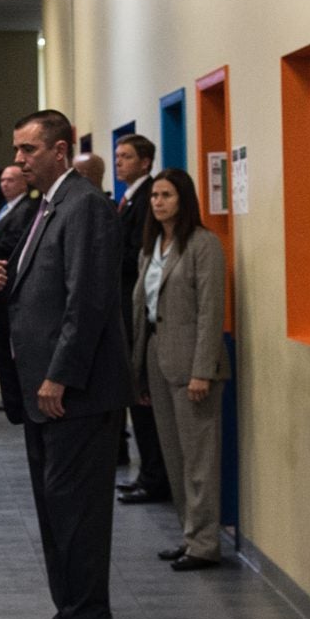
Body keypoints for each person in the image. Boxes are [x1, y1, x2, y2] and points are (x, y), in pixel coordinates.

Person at [0, 110, 130, 619]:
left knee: (78, 515)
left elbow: (89, 301)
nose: (19, 159)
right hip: (44, 393)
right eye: (18, 150)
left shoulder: (85, 206)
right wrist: (3, 286)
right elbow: (43, 289)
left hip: (75, 393)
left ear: (60, 149)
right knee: (56, 511)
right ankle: (71, 613)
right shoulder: (47, 207)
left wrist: (60, 374)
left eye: (28, 150)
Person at [126, 168, 228, 571]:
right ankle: (190, 535)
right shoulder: (151, 247)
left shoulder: (204, 245)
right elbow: (142, 309)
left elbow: (210, 312)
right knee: (173, 456)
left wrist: (202, 370)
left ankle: (204, 543)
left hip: (193, 365)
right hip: (156, 356)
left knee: (199, 458)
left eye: (166, 195)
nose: (158, 202)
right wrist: (138, 371)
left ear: (183, 199)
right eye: (154, 196)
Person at [113, 134, 173, 504]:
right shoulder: (131, 198)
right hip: (131, 308)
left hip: (142, 310)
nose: (119, 162)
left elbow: (134, 251)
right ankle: (148, 472)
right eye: (117, 156)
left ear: (146, 162)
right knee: (139, 398)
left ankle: (154, 476)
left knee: (147, 404)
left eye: (127, 156)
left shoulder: (146, 197)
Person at [0, 164, 39, 419]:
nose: (4, 184)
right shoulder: (6, 207)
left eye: (10, 180)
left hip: (11, 282)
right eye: (2, 180)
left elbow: (16, 243)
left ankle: (16, 397)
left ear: (23, 183)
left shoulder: (26, 208)